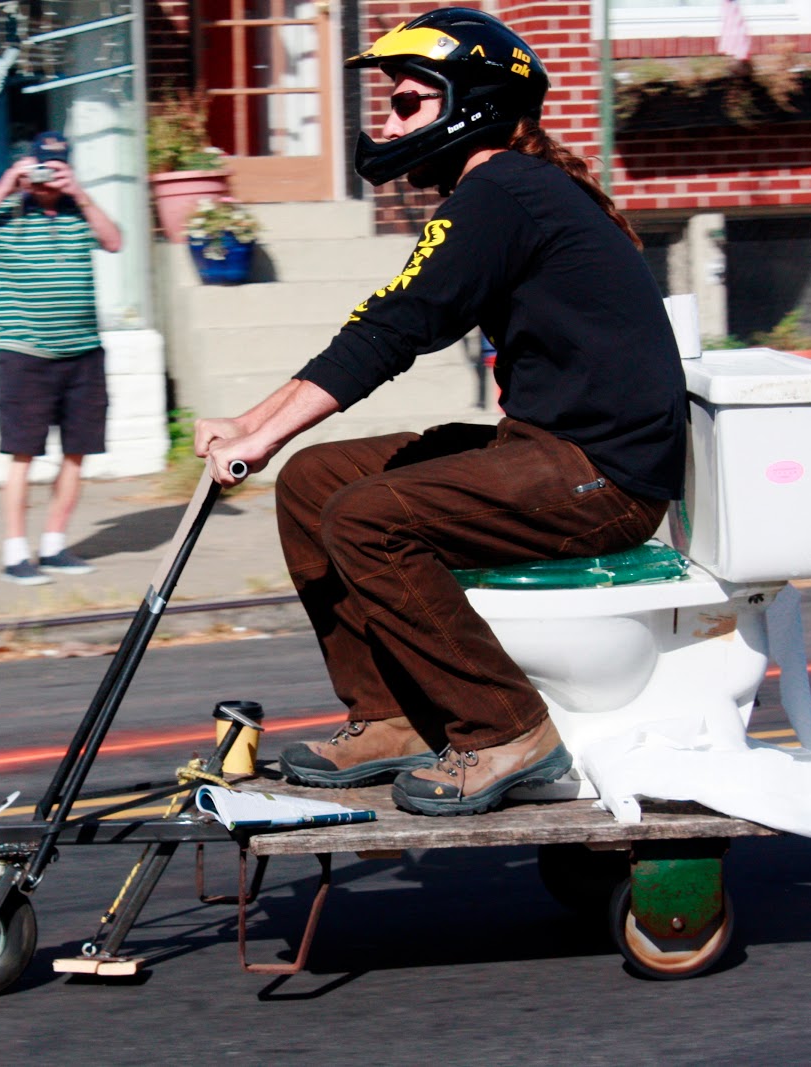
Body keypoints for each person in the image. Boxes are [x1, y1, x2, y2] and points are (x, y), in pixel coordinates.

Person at [194, 8, 687, 816]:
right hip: (548, 449)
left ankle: (506, 729)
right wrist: (254, 426)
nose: (387, 122)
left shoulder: (505, 191)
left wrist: (261, 438)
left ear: (474, 104)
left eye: (408, 101)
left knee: (365, 518)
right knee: (316, 481)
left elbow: (396, 332)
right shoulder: (500, 190)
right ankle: (391, 717)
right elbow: (381, 319)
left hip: (607, 477)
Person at [0, 130, 123, 585]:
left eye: (56, 168)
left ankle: (54, 544)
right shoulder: (7, 211)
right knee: (22, 454)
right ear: (28, 165)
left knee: (77, 453)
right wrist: (6, 186)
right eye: (41, 168)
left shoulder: (78, 210)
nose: (47, 178)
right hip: (25, 354)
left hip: (83, 352)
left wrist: (79, 193)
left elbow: (114, 241)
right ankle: (14, 552)